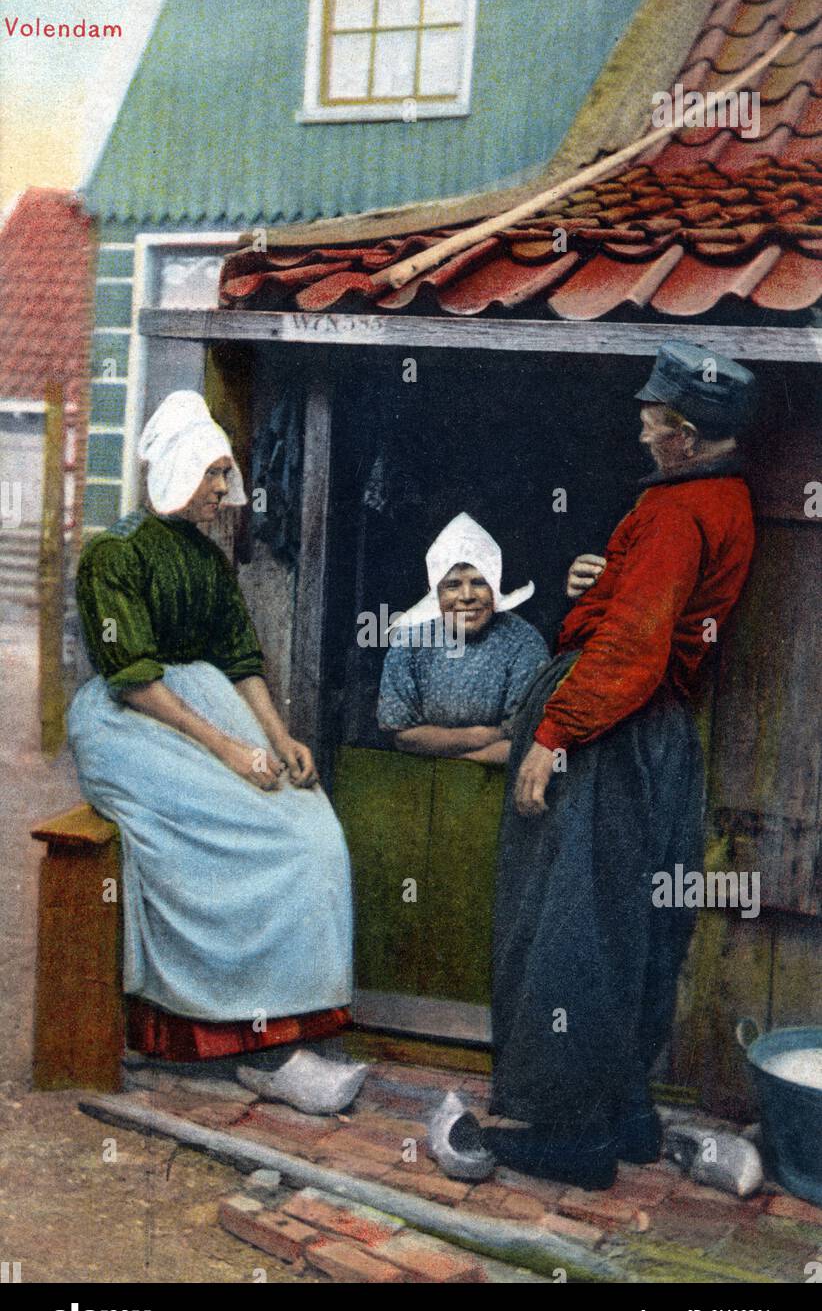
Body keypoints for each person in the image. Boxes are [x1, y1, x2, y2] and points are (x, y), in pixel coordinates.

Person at [429, 341, 756, 1187]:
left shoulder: (679, 511)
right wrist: (611, 575)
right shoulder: (716, 499)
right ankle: (624, 1111)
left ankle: (570, 1134)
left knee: (576, 922)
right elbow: (653, 607)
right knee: (631, 922)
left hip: (610, 735)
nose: (644, 436)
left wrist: (553, 734)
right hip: (652, 736)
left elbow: (638, 647)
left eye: (653, 425)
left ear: (684, 435)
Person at [68, 390, 365, 1114]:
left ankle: (281, 1030)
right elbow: (134, 680)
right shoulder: (111, 556)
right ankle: (252, 1048)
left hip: (208, 713)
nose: (226, 493)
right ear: (177, 469)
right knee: (242, 839)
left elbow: (239, 658)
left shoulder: (205, 559)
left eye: (226, 477)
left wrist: (277, 736)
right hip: (131, 724)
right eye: (214, 476)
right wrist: (230, 750)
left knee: (313, 835)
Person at [378, 513, 549, 765]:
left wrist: (457, 763)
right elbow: (402, 735)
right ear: (435, 591)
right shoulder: (411, 638)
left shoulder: (524, 643)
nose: (466, 596)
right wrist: (485, 735)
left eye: (479, 582)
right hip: (418, 783)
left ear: (494, 587)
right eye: (453, 585)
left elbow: (522, 742)